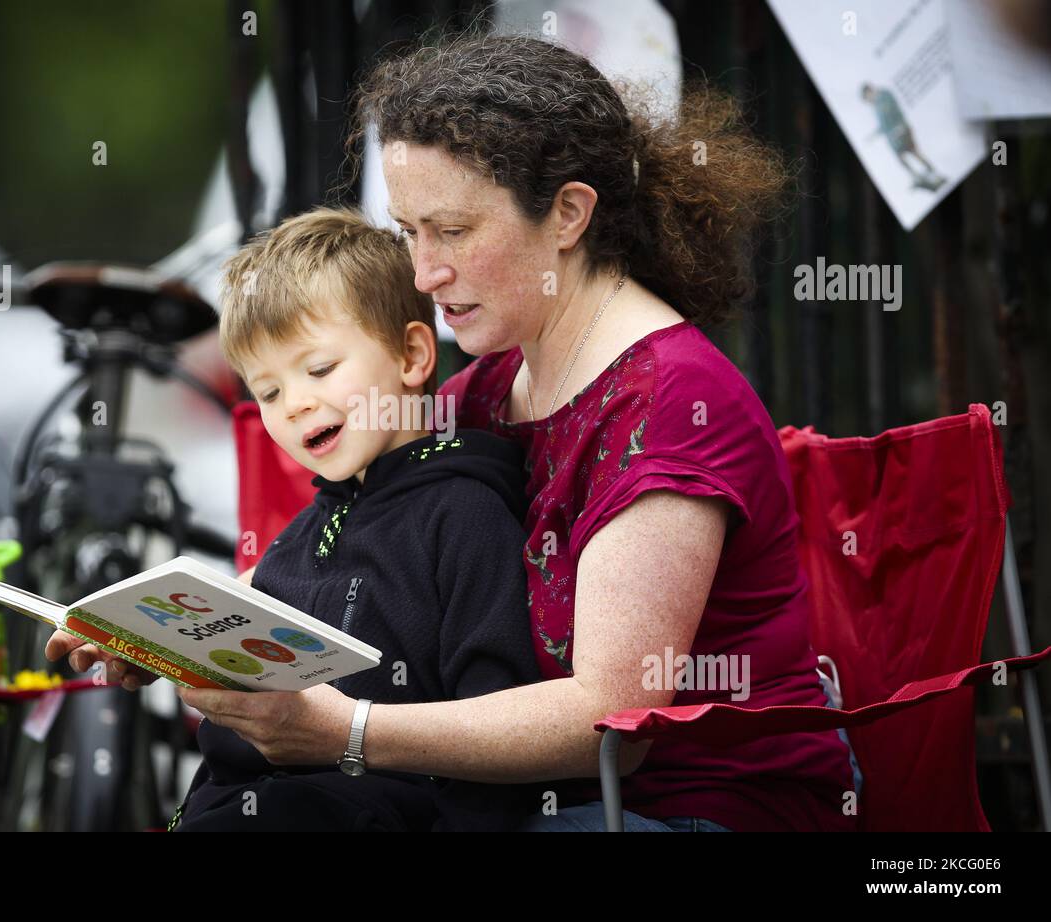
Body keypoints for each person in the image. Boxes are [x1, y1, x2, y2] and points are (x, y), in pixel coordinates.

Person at [50, 33, 857, 832]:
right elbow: (373, 586)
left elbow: (612, 720)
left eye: (454, 231)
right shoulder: (491, 382)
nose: (424, 273)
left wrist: (348, 734)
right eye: (408, 232)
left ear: (569, 214)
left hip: (689, 812)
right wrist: (175, 644)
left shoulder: (672, 399)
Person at [168, 207, 550, 831]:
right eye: (267, 392)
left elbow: (497, 720)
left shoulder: (464, 513)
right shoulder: (310, 527)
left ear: (411, 355)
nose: (295, 404)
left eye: (319, 370)